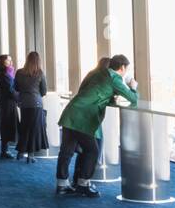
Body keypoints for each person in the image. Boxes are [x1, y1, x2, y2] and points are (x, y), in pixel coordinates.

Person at [56, 54, 139, 197]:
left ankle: (62, 185)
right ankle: (83, 184)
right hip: (84, 118)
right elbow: (133, 99)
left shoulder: (97, 73)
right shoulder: (115, 78)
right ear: (122, 67)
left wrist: (109, 98)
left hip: (71, 112)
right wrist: (133, 87)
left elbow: (90, 91)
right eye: (126, 68)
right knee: (92, 151)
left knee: (66, 151)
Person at [14, 51, 49, 162]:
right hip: (36, 104)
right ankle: (31, 155)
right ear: (38, 61)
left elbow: (16, 87)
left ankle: (20, 152)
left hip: (24, 103)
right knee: (34, 130)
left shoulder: (19, 72)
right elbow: (44, 91)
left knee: (24, 127)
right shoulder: (39, 73)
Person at [0, 53, 19, 159]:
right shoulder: (4, 74)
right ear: (3, 62)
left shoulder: (6, 73)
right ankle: (4, 151)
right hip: (7, 104)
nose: (11, 62)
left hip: (7, 103)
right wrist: (20, 97)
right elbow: (10, 90)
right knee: (6, 126)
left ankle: (6, 149)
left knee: (7, 125)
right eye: (9, 60)